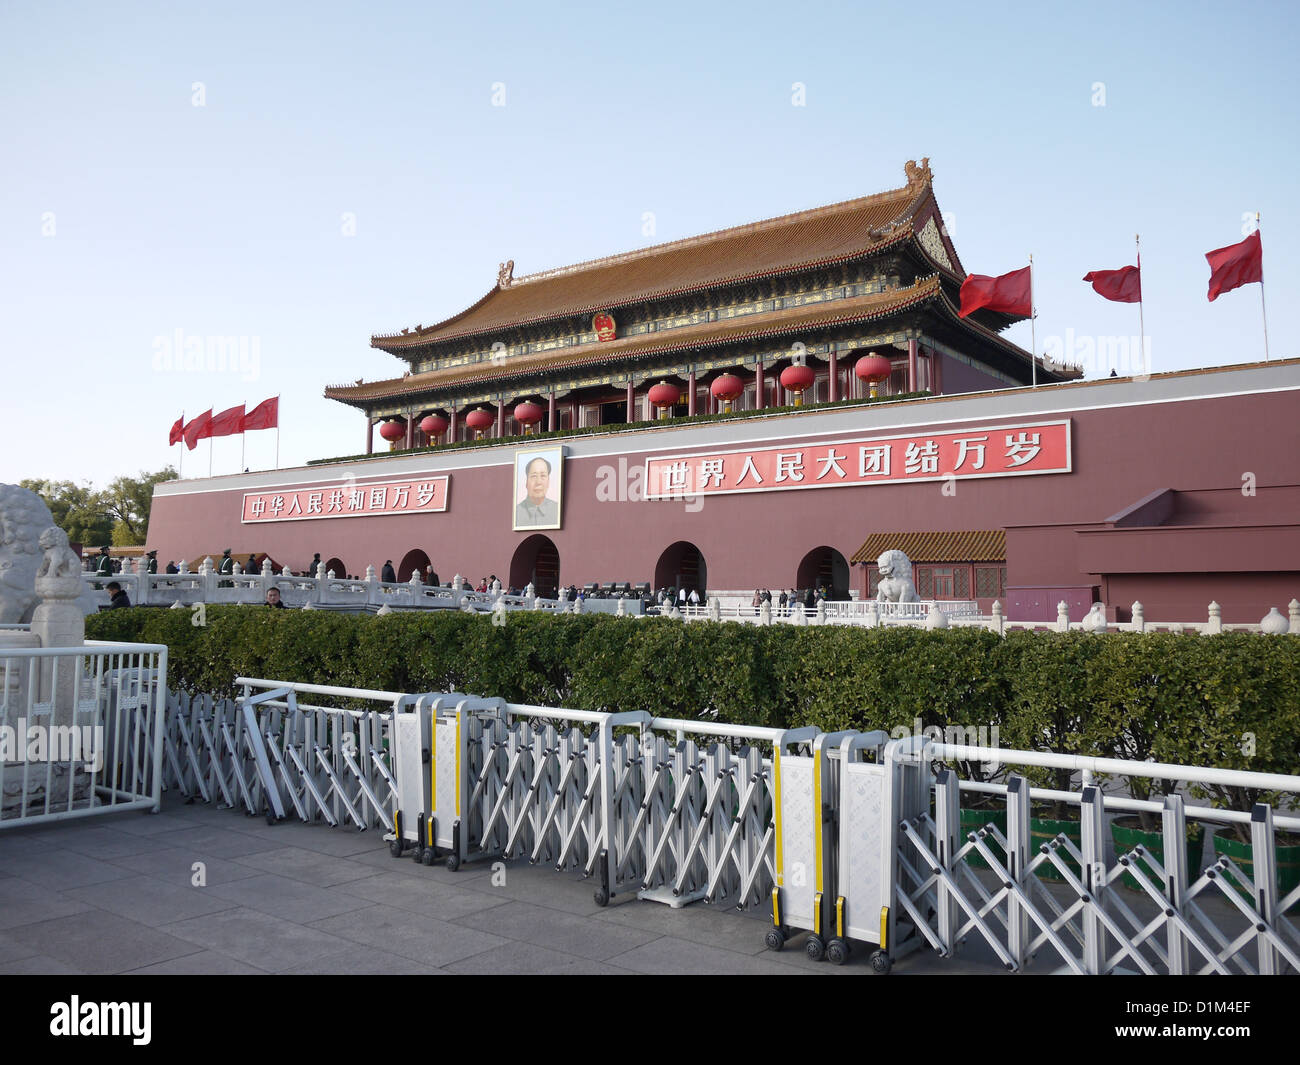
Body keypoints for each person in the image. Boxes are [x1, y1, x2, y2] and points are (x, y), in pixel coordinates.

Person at [515, 455, 559, 526]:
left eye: (543, 476)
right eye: (534, 476)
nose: (538, 482)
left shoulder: (557, 510)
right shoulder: (516, 512)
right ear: (526, 481)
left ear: (548, 481)